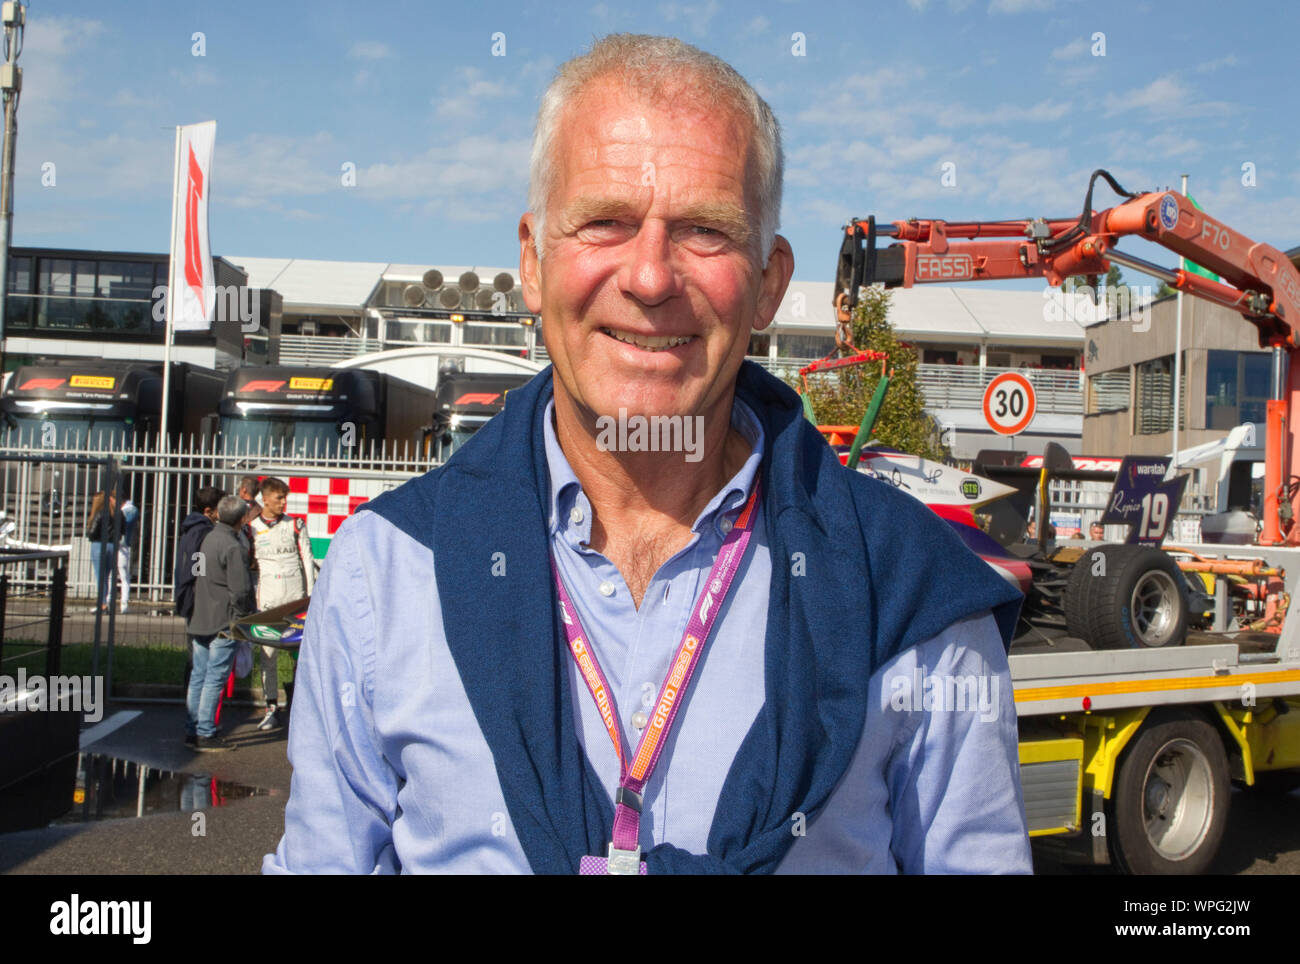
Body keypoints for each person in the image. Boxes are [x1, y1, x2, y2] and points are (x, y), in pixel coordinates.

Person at [265, 34, 1028, 874]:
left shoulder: (910, 591)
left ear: (770, 283)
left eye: (705, 231)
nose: (651, 277)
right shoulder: (388, 572)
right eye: (605, 223)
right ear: (532, 260)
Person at [186, 495, 255, 752]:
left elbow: (197, 573)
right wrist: (241, 618)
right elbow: (240, 590)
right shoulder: (233, 546)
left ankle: (192, 729)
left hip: (201, 614)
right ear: (241, 519)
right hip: (223, 619)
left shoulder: (207, 538)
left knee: (199, 676)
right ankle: (206, 732)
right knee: (215, 677)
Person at [246, 476, 315, 731]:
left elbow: (307, 560)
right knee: (268, 657)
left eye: (285, 497)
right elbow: (248, 563)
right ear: (265, 499)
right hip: (268, 602)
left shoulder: (295, 524)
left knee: (300, 657)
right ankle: (271, 708)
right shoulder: (251, 527)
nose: (284, 502)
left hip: (295, 600)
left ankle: (300, 708)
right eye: (279, 498)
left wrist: (309, 596)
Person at [174, 485, 224, 625]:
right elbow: (196, 560)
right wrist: (200, 586)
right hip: (197, 594)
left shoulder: (194, 528)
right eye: (220, 507)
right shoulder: (202, 531)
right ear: (208, 511)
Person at [85, 490, 124, 614]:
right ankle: (105, 602)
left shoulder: (100, 513)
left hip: (99, 545)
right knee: (107, 576)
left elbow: (92, 532)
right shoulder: (119, 514)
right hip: (113, 546)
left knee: (100, 576)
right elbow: (123, 530)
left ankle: (102, 604)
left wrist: (90, 534)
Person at [116, 491, 139, 614]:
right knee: (113, 574)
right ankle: (108, 601)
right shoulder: (126, 510)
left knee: (123, 574)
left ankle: (124, 603)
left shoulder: (131, 510)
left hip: (123, 545)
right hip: (118, 544)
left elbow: (124, 524)